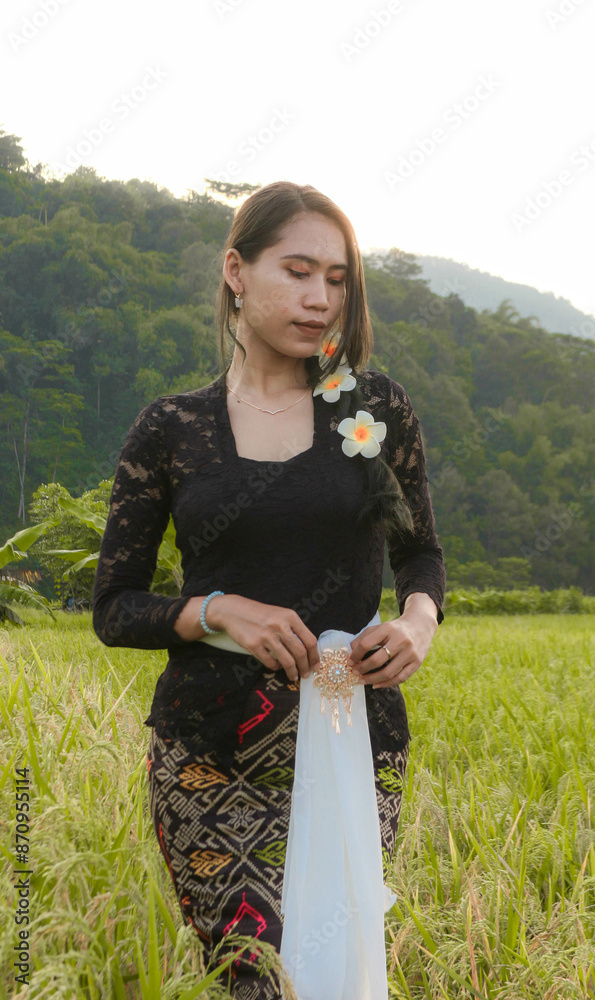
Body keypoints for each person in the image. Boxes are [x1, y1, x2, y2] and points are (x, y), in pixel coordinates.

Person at [92, 180, 446, 999]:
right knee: (260, 975)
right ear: (235, 272)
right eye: (296, 271)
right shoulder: (171, 428)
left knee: (330, 968)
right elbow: (114, 607)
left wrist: (418, 619)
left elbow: (420, 551)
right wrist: (215, 612)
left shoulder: (372, 409)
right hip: (210, 754)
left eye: (336, 278)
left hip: (353, 738)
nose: (319, 297)